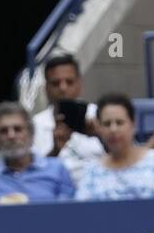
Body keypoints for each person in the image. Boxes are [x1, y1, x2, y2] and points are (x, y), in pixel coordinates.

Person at [76, 94, 154, 201]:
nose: (113, 129)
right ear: (99, 129)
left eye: (119, 123)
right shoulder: (92, 170)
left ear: (134, 125)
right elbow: (84, 214)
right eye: (107, 124)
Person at [0, 102, 75, 204]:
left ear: (31, 134)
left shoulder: (57, 169)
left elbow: (69, 214)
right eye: (4, 131)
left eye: (18, 129)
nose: (11, 136)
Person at [29, 53, 105, 183]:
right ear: (46, 88)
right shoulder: (34, 125)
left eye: (69, 82)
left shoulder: (101, 116)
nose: (63, 88)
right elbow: (31, 175)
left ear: (79, 84)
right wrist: (55, 151)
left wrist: (101, 136)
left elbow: (127, 159)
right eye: (55, 83)